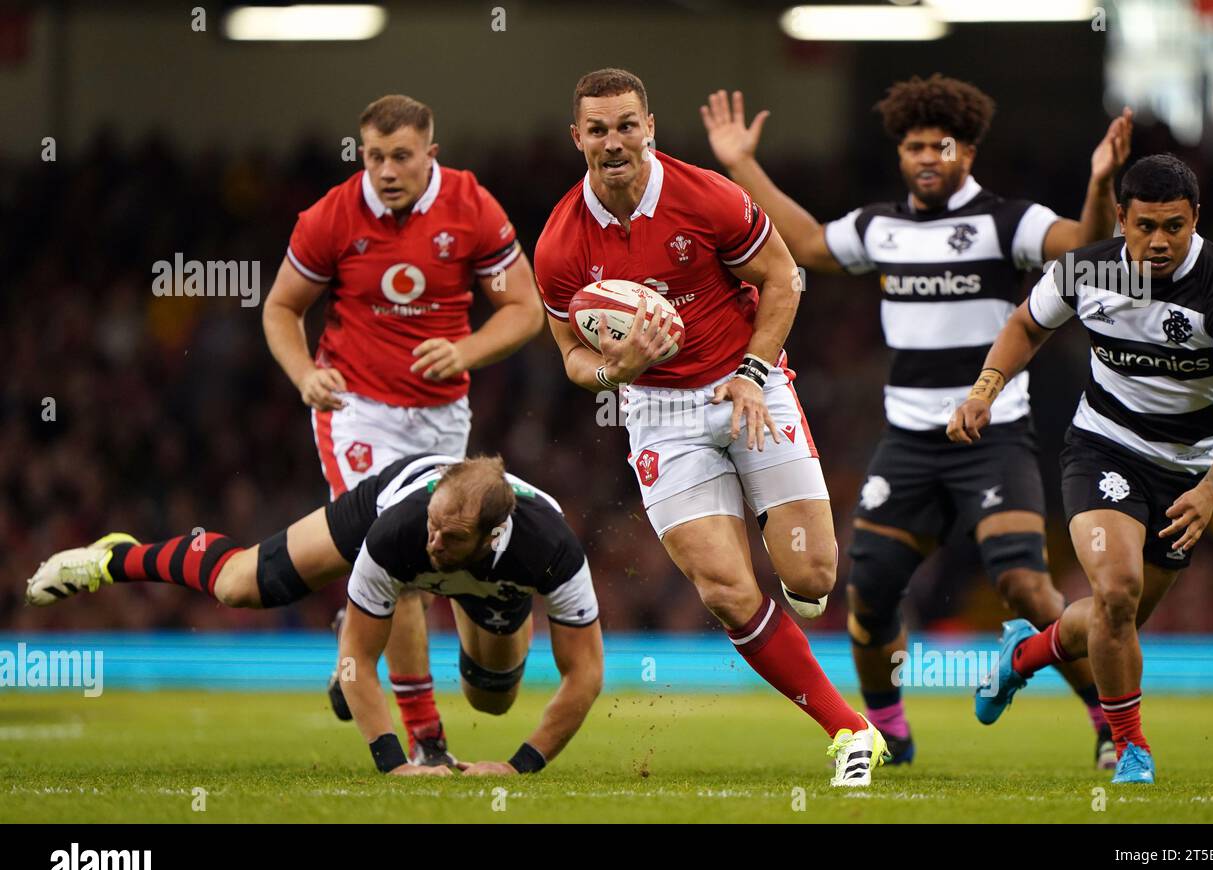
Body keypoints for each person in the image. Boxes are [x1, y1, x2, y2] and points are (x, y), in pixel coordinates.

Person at [701, 74, 1132, 767]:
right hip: (907, 441)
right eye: (913, 145)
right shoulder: (882, 228)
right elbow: (808, 243)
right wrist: (741, 163)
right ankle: (890, 734)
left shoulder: (1006, 221)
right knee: (868, 591)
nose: (927, 156)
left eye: (941, 144)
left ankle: (1105, 722)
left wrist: (1097, 183)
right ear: (899, 153)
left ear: (967, 150)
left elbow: (1083, 241)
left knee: (1024, 584)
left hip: (994, 437)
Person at [534, 67, 886, 787]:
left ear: (650, 127)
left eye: (626, 125)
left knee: (813, 575)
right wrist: (615, 368)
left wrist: (755, 373)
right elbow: (572, 356)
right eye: (597, 130)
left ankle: (777, 536)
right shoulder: (560, 245)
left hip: (747, 384)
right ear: (578, 137)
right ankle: (850, 730)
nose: (613, 142)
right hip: (659, 411)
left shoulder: (707, 196)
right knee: (725, 589)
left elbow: (785, 278)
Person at [947, 153, 1213, 784]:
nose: (1159, 241)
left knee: (1110, 616)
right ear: (1120, 217)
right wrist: (985, 390)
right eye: (1145, 225)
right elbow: (1025, 323)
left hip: (1188, 475)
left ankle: (1024, 654)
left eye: (1174, 226)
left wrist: (1211, 491)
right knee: (1117, 591)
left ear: (1196, 219)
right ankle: (1130, 748)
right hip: (1104, 448)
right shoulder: (1085, 268)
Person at [261, 94, 544, 765]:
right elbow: (280, 306)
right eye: (373, 156)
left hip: (443, 418)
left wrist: (466, 351)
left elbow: (525, 309)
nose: (386, 170)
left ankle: (354, 628)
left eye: (401, 156)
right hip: (357, 410)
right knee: (403, 562)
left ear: (431, 154)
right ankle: (426, 743)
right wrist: (304, 372)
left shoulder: (472, 207)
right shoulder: (332, 215)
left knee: (433, 564)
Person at [26, 454, 603, 777]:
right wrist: (390, 763)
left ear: (490, 535)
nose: (433, 542)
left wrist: (518, 766)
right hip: (388, 513)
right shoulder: (402, 530)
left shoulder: (549, 549)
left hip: (493, 587)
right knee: (238, 585)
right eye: (431, 525)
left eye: (448, 538)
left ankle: (403, 601)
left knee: (493, 700)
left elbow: (586, 673)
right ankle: (115, 556)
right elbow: (356, 659)